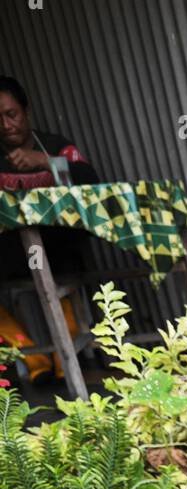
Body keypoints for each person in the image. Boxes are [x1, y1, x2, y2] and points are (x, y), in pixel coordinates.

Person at [0, 76, 98, 382]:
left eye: (11, 114)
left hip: (58, 248)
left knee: (64, 271)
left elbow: (90, 179)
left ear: (27, 111)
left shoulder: (56, 146)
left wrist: (44, 161)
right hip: (12, 253)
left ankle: (63, 357)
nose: (5, 125)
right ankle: (32, 356)